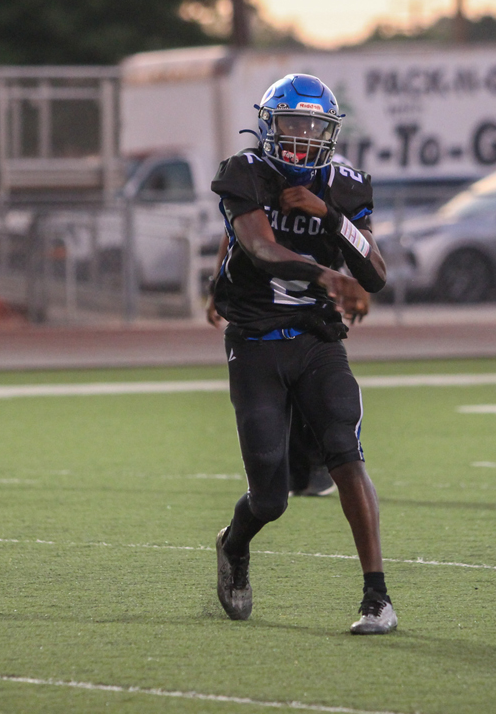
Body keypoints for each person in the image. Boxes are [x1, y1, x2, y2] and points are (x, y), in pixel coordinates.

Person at [209, 73, 396, 634]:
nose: (301, 136)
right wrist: (325, 275)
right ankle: (234, 543)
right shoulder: (245, 172)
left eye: (313, 126)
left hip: (316, 337)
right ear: (269, 124)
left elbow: (375, 273)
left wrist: (329, 216)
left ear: (330, 132)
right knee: (270, 498)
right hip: (256, 340)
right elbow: (258, 247)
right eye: (291, 123)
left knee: (346, 452)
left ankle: (377, 598)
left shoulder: (343, 185)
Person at [206, 222, 372, 499]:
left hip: (314, 300)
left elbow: (359, 236)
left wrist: (361, 283)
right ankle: (294, 468)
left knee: (320, 386)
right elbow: (234, 230)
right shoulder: (257, 197)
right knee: (276, 390)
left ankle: (318, 462)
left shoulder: (332, 196)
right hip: (264, 305)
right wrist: (216, 287)